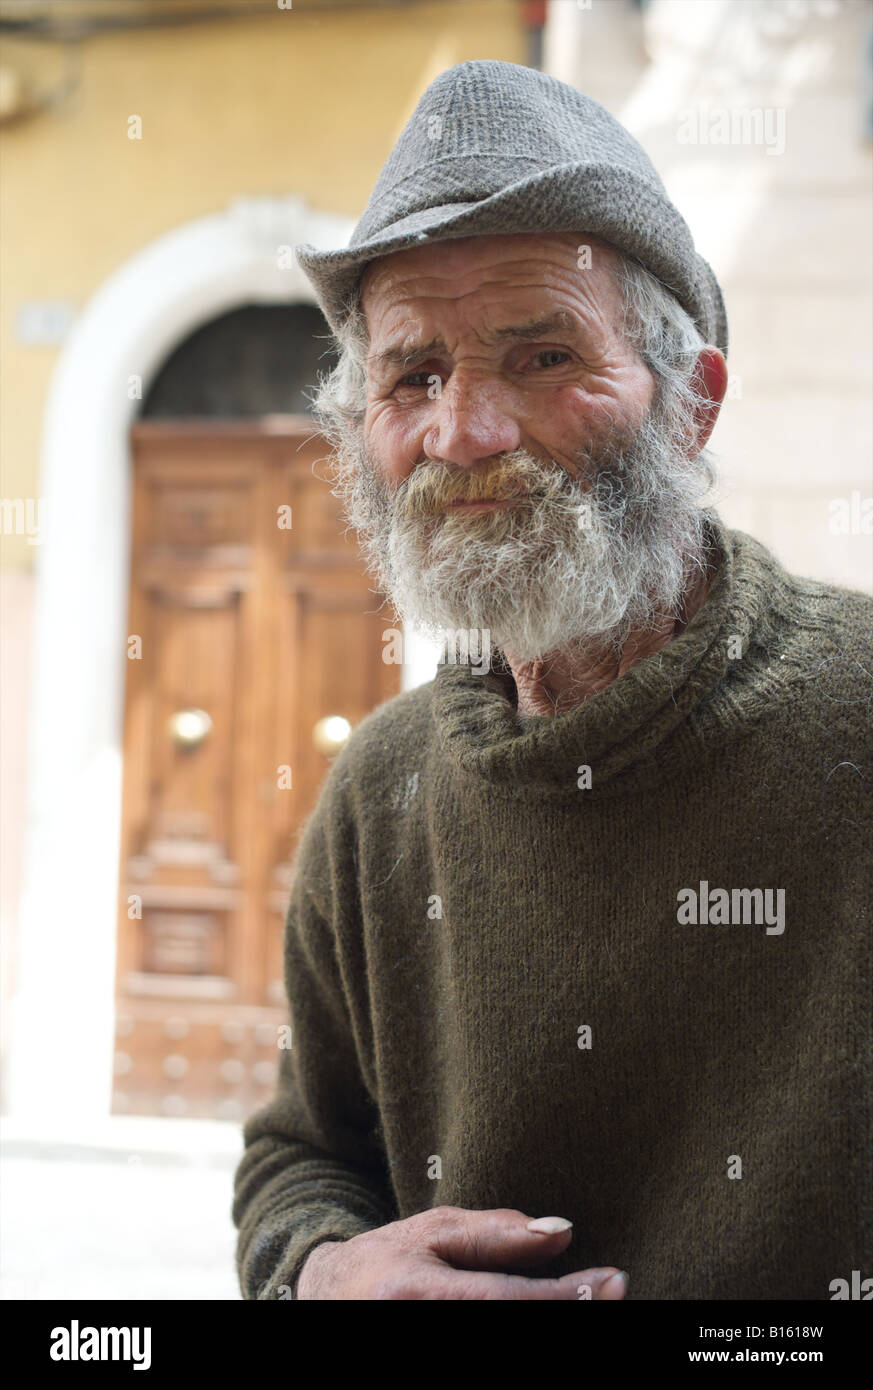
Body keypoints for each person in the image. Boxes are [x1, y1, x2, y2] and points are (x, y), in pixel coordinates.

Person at [232, 60, 871, 1301]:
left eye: (540, 357)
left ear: (690, 405)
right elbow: (305, 1153)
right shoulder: (381, 790)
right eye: (412, 376)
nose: (464, 433)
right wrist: (321, 1274)